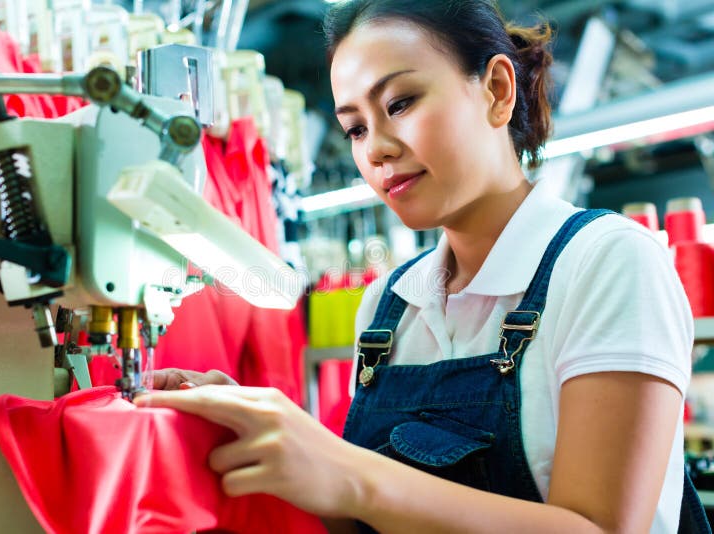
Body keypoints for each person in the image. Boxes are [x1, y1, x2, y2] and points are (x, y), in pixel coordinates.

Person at [137, 1, 710, 532]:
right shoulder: (389, 306)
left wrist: (347, 473)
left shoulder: (606, 263)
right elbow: (371, 516)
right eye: (355, 128)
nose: (375, 150)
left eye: (401, 103)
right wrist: (270, 438)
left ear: (496, 89)